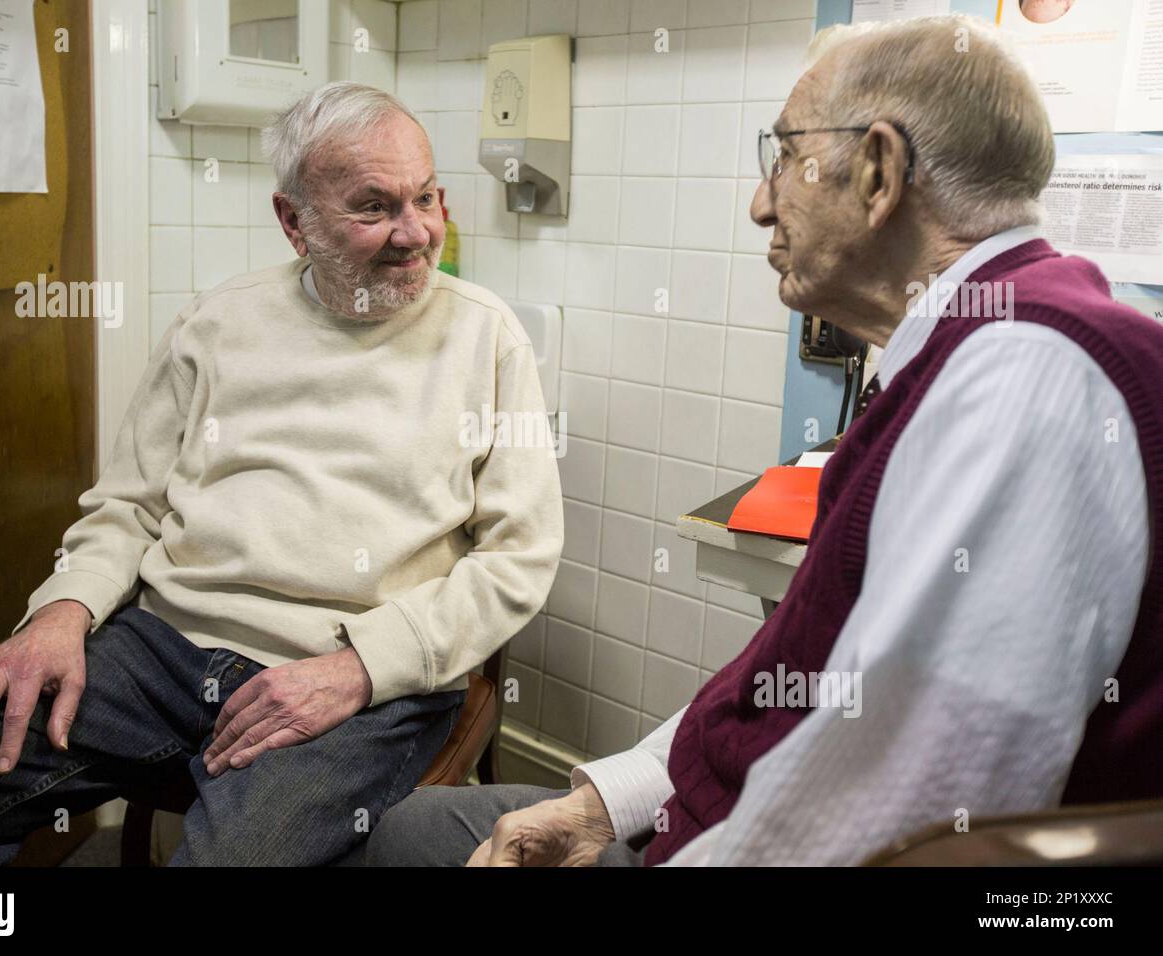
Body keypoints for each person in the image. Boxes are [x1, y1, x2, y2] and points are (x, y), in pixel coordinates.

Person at [366, 15, 1163, 867]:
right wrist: (602, 806)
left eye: (784, 157)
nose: (760, 203)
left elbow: (897, 813)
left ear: (880, 171)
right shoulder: (980, 346)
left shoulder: (1023, 374)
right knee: (410, 831)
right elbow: (788, 676)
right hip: (699, 816)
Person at [0, 82, 563, 866]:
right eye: (375, 207)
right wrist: (60, 612)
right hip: (160, 651)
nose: (417, 233)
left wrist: (361, 670)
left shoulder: (487, 338)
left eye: (426, 197)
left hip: (359, 678)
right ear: (294, 222)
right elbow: (129, 506)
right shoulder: (218, 320)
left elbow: (518, 558)